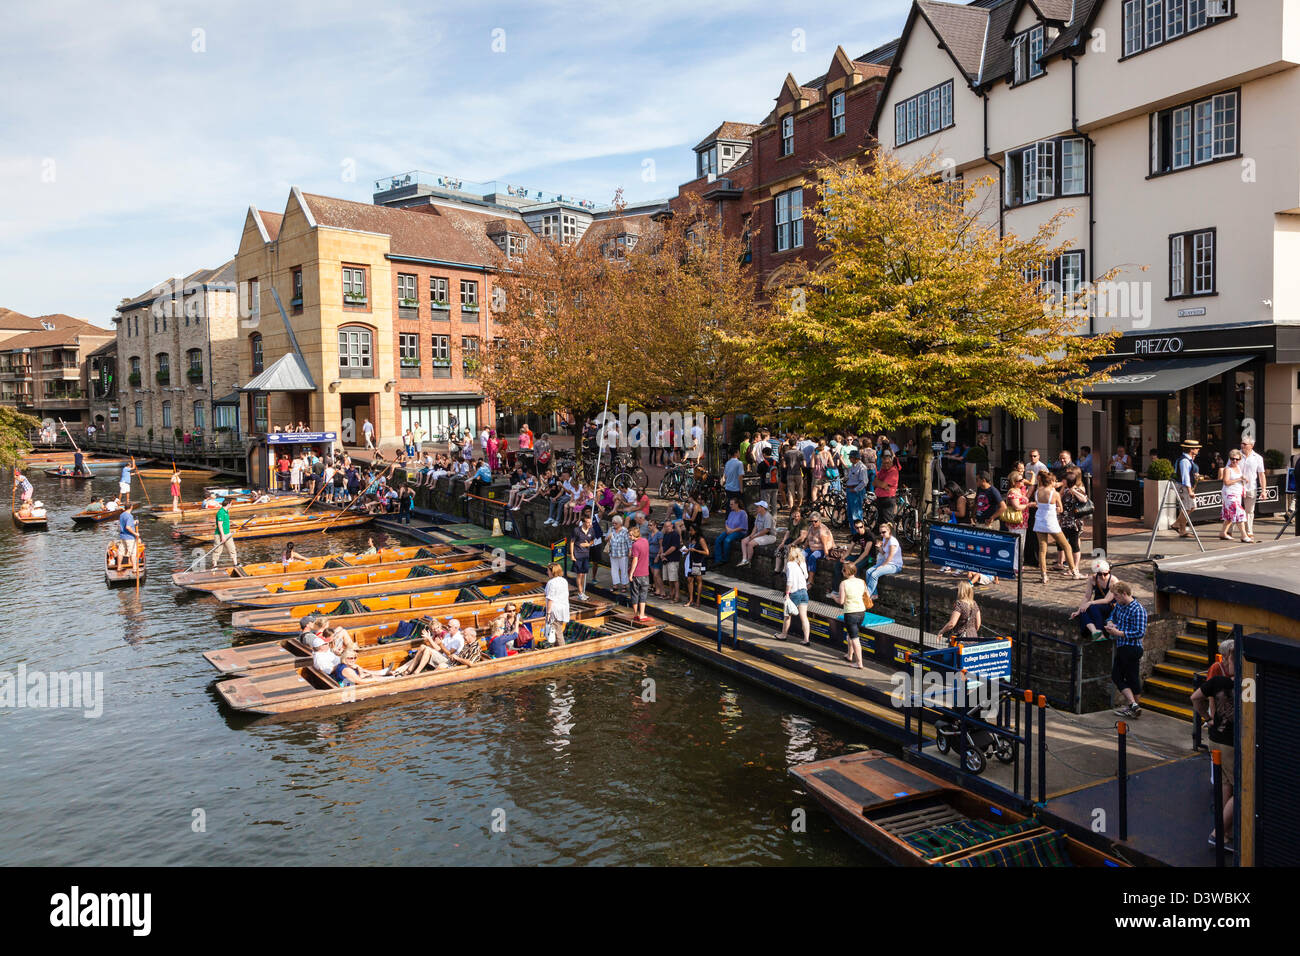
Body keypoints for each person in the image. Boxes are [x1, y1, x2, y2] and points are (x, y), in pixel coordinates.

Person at [1191, 639, 1237, 850]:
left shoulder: (1217, 682)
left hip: (1215, 739)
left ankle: (1225, 832)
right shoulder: (1245, 685)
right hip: (1232, 743)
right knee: (1244, 790)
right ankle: (1218, 832)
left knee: (1225, 784)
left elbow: (1195, 698)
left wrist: (1207, 718)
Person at [1105, 579, 1147, 718]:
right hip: (1123, 646)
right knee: (1132, 678)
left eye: (1116, 595)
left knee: (1117, 676)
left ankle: (1132, 705)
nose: (1114, 598)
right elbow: (1112, 616)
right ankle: (1134, 708)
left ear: (1124, 594)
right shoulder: (1119, 605)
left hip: (1131, 648)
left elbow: (1140, 632)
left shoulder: (1138, 609)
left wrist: (1119, 633)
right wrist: (1110, 623)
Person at [1032, 470, 1079, 583]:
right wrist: (1057, 509)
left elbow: (1038, 504)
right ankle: (1074, 571)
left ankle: (1044, 575)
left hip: (1039, 522)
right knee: (1066, 546)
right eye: (1055, 481)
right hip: (1051, 522)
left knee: (1042, 550)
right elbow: (1061, 509)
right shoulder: (1055, 493)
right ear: (1051, 481)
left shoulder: (1037, 491)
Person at [829, 560, 869, 668]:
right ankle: (849, 655)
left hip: (851, 613)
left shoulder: (844, 583)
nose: (842, 572)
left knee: (855, 638)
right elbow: (867, 595)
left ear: (846, 571)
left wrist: (833, 597)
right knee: (851, 634)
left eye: (843, 570)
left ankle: (859, 663)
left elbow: (841, 601)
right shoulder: (861, 581)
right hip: (861, 612)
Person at [1070, 558, 1117, 639]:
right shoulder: (1092, 579)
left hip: (1108, 605)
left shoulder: (1113, 581)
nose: (1102, 576)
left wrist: (1090, 603)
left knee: (1090, 607)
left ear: (1109, 571)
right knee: (1083, 609)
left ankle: (1100, 631)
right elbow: (1087, 596)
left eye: (1105, 574)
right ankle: (1095, 631)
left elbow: (1107, 600)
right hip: (1096, 605)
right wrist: (1079, 610)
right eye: (1099, 574)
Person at [775, 547, 811, 645]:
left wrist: (787, 594)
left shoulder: (790, 564)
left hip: (794, 592)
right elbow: (806, 576)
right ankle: (806, 639)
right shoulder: (802, 563)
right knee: (804, 617)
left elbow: (790, 580)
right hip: (804, 591)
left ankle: (783, 635)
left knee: (787, 616)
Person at [1237, 438, 1266, 542]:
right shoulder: (1236, 455)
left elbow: (1261, 475)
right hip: (1236, 487)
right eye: (1241, 443)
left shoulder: (1258, 458)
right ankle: (1228, 531)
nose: (1242, 445)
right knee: (1234, 509)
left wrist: (1263, 490)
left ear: (1251, 446)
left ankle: (1249, 531)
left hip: (1251, 487)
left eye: (1245, 444)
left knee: (1249, 511)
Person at [865, 523, 903, 598]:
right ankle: (874, 594)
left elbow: (890, 556)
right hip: (887, 563)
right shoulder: (885, 539)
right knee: (868, 572)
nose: (882, 534)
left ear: (889, 531)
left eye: (884, 532)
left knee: (874, 574)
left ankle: (867, 595)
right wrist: (879, 547)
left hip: (894, 565)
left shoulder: (892, 541)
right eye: (881, 532)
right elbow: (883, 553)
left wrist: (882, 566)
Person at [1218, 449, 1249, 542]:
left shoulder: (1238, 468)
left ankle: (1223, 533)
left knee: (1229, 515)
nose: (1234, 461)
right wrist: (1239, 479)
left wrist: (1244, 488)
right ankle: (1244, 535)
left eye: (1236, 459)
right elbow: (1226, 482)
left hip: (1237, 493)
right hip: (1229, 494)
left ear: (1239, 460)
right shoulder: (1228, 469)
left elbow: (1240, 480)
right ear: (1229, 459)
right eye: (1232, 459)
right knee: (1239, 512)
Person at [1173, 440, 1201, 537]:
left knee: (1186, 507)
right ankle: (1176, 524)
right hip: (1183, 487)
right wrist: (1190, 491)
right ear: (1191, 449)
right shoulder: (1184, 461)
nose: (1198, 450)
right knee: (1191, 507)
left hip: (1183, 486)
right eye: (1196, 448)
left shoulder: (1186, 459)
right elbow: (1185, 478)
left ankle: (1182, 530)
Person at [737, 499, 775, 566]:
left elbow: (766, 530)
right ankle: (744, 559)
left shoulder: (768, 516)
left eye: (758, 507)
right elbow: (755, 527)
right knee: (743, 541)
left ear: (763, 508)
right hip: (760, 534)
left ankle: (748, 561)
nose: (756, 508)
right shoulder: (758, 515)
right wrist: (751, 535)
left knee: (750, 544)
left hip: (769, 536)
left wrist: (754, 537)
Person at [713, 497, 749, 565]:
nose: (730, 506)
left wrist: (732, 530)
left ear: (737, 504)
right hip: (729, 531)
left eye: (732, 504)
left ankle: (725, 559)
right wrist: (727, 528)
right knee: (718, 539)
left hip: (739, 532)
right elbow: (726, 522)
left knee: (727, 540)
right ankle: (718, 559)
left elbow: (743, 527)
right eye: (730, 504)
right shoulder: (731, 513)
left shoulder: (743, 513)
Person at [570, 512, 595, 601]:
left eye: (590, 522)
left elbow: (592, 541)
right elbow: (572, 542)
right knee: (579, 574)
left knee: (584, 574)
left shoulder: (591, 530)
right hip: (578, 555)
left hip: (586, 555)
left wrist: (588, 544)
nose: (589, 524)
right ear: (583, 522)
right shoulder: (576, 530)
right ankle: (580, 593)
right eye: (588, 522)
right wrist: (572, 555)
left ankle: (582, 592)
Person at [873, 450, 900, 532]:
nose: (886, 465)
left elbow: (882, 485)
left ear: (891, 462)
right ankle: (879, 541)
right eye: (884, 463)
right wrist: (882, 484)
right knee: (880, 522)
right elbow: (874, 483)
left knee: (888, 522)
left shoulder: (893, 471)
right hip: (880, 498)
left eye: (888, 463)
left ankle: (894, 541)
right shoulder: (882, 470)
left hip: (887, 499)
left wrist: (882, 484)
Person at [544, 563, 570, 646]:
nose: (547, 572)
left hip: (555, 610)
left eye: (548, 570)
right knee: (555, 631)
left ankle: (562, 652)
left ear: (552, 571)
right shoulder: (563, 580)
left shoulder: (551, 583)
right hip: (563, 609)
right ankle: (556, 649)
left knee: (557, 633)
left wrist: (548, 613)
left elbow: (550, 599)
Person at [803, 510, 835, 576]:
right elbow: (807, 540)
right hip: (811, 548)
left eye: (815, 521)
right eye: (811, 521)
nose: (813, 523)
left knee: (812, 557)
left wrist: (826, 555)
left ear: (820, 520)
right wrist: (803, 549)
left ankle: (810, 579)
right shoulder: (810, 528)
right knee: (801, 555)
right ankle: (803, 574)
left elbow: (825, 545)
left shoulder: (822, 530)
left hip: (822, 550)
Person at [660, 519, 683, 604]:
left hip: (673, 559)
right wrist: (662, 556)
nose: (667, 528)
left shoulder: (675, 535)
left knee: (675, 579)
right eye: (665, 526)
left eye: (669, 526)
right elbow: (662, 545)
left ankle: (677, 596)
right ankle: (671, 594)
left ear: (672, 526)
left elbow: (674, 547)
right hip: (666, 559)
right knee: (669, 579)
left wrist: (664, 554)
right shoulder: (665, 534)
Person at [607, 514, 631, 595]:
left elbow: (629, 542)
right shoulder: (611, 529)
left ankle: (624, 585)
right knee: (614, 569)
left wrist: (630, 552)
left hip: (623, 553)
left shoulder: (625, 531)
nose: (614, 525)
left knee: (624, 569)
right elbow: (606, 539)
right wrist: (608, 538)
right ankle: (615, 585)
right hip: (613, 553)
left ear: (620, 523)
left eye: (615, 523)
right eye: (613, 523)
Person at [685, 527, 709, 607]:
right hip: (692, 561)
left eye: (691, 530)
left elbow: (707, 552)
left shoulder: (701, 540)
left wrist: (696, 550)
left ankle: (698, 600)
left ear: (696, 531)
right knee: (689, 579)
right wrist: (687, 550)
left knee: (698, 580)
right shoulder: (691, 539)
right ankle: (691, 599)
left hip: (699, 562)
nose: (690, 531)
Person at [212, 498, 237, 568]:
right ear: (228, 504)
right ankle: (214, 565)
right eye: (231, 503)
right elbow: (220, 524)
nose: (231, 505)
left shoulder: (226, 511)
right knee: (217, 550)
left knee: (232, 548)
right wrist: (222, 536)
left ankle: (235, 563)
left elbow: (225, 521)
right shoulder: (221, 512)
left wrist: (232, 524)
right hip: (220, 534)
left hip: (228, 533)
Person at [118, 502, 141, 569]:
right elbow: (128, 527)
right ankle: (134, 568)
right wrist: (135, 534)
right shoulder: (129, 516)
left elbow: (125, 524)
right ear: (131, 507)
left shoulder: (122, 515)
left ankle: (119, 567)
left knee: (121, 552)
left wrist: (134, 522)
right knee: (133, 552)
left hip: (122, 536)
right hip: (129, 537)